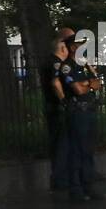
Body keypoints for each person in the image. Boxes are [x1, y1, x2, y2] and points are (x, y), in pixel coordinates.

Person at [59, 33, 103, 202]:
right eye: (80, 45)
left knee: (88, 150)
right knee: (77, 150)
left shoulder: (84, 65)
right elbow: (78, 89)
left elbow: (96, 82)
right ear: (72, 47)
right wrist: (88, 85)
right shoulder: (67, 67)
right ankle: (75, 189)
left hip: (89, 110)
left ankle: (88, 186)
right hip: (78, 112)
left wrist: (88, 84)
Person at [43, 30, 72, 191]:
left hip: (54, 107)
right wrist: (64, 101)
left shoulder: (52, 62)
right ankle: (60, 178)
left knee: (61, 143)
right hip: (57, 108)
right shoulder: (56, 63)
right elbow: (56, 84)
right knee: (61, 144)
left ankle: (61, 176)